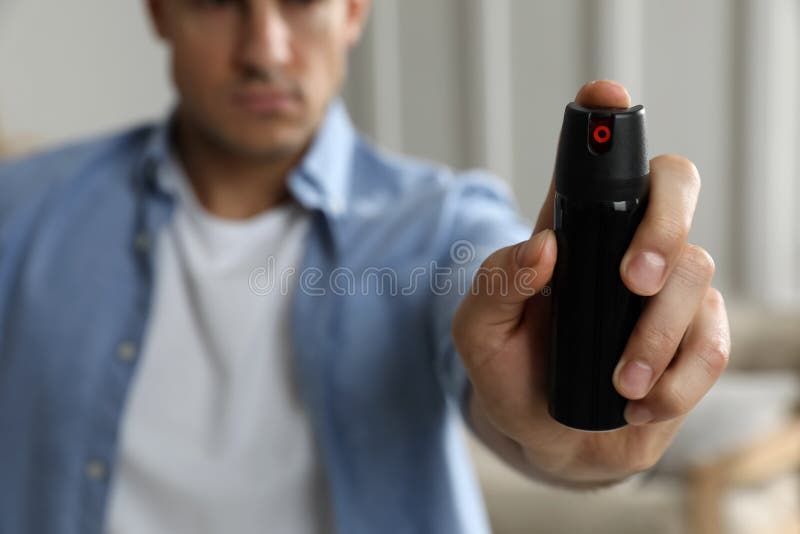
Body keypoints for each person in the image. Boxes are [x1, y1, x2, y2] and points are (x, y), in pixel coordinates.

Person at [0, 1, 730, 533]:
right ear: (159, 12)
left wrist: (573, 437)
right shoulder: (21, 209)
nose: (265, 48)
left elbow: (483, 294)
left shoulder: (442, 222)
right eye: (218, 3)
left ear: (352, 10)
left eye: (300, 2)